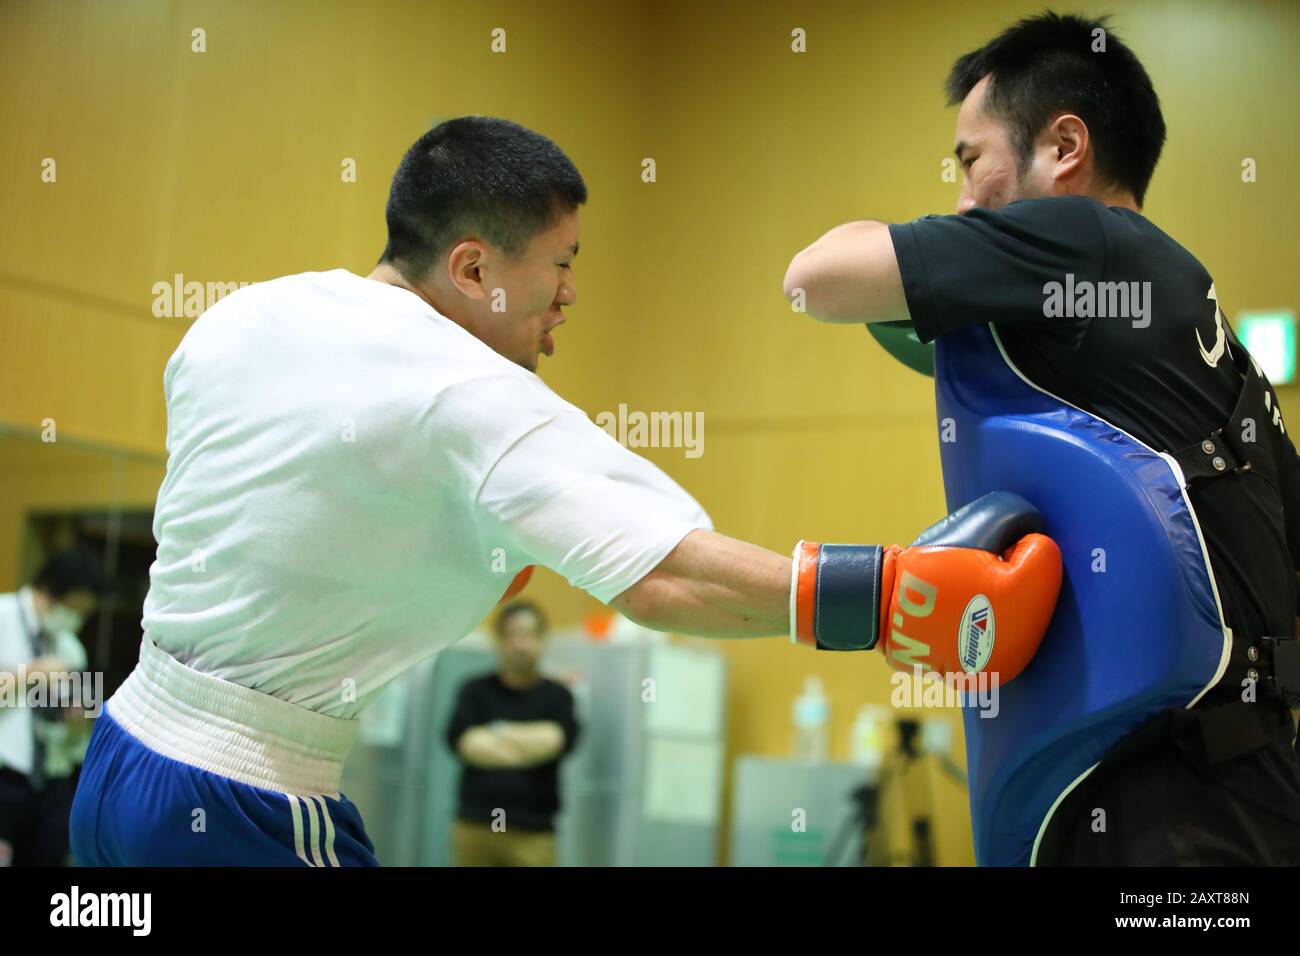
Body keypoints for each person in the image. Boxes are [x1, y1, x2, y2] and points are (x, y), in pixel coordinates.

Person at [70, 116, 1061, 866]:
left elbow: (302, 509)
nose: (571, 295)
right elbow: (666, 578)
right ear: (472, 268)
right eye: (560, 264)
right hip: (244, 794)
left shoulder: (241, 317)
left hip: (114, 761)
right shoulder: (474, 396)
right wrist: (893, 598)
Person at [783, 12, 1300, 864]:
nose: (961, 199)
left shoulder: (1080, 237)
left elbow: (815, 279)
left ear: (1064, 147)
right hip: (1252, 794)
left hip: (1152, 810)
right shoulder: (1211, 342)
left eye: (970, 160)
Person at [447, 600, 578, 866]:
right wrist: (529, 748)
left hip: (533, 833)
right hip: (475, 828)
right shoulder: (474, 691)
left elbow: (557, 740)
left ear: (542, 639)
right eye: (513, 635)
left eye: (529, 634)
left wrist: (496, 733)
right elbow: (464, 743)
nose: (521, 644)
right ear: (500, 640)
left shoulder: (558, 696)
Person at [0, 546, 101, 866]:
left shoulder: (72, 648)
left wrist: (78, 724)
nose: (77, 618)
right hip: (5, 779)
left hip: (53, 784)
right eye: (75, 608)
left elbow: (84, 721)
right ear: (50, 590)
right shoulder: (2, 617)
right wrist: (26, 676)